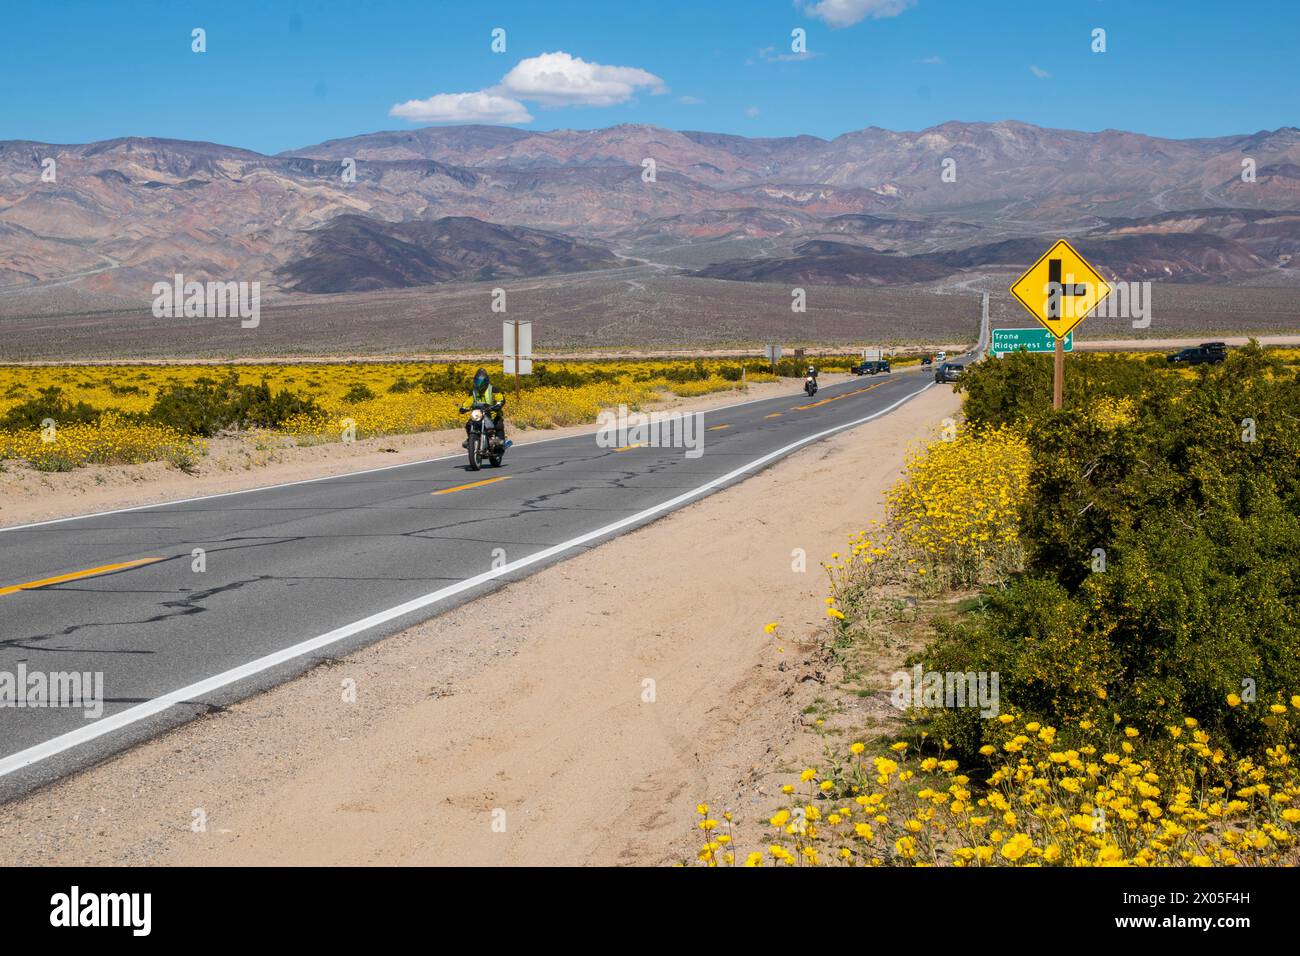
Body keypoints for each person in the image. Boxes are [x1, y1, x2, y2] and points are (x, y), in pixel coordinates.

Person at [460, 367, 506, 448]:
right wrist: (463, 407)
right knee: (469, 424)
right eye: (477, 381)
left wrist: (499, 404)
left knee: (498, 425)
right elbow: (468, 401)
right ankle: (470, 439)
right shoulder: (474, 391)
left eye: (481, 381)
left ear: (486, 381)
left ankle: (501, 442)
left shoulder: (493, 389)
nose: (479, 383)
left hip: (492, 414)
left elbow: (500, 398)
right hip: (479, 414)